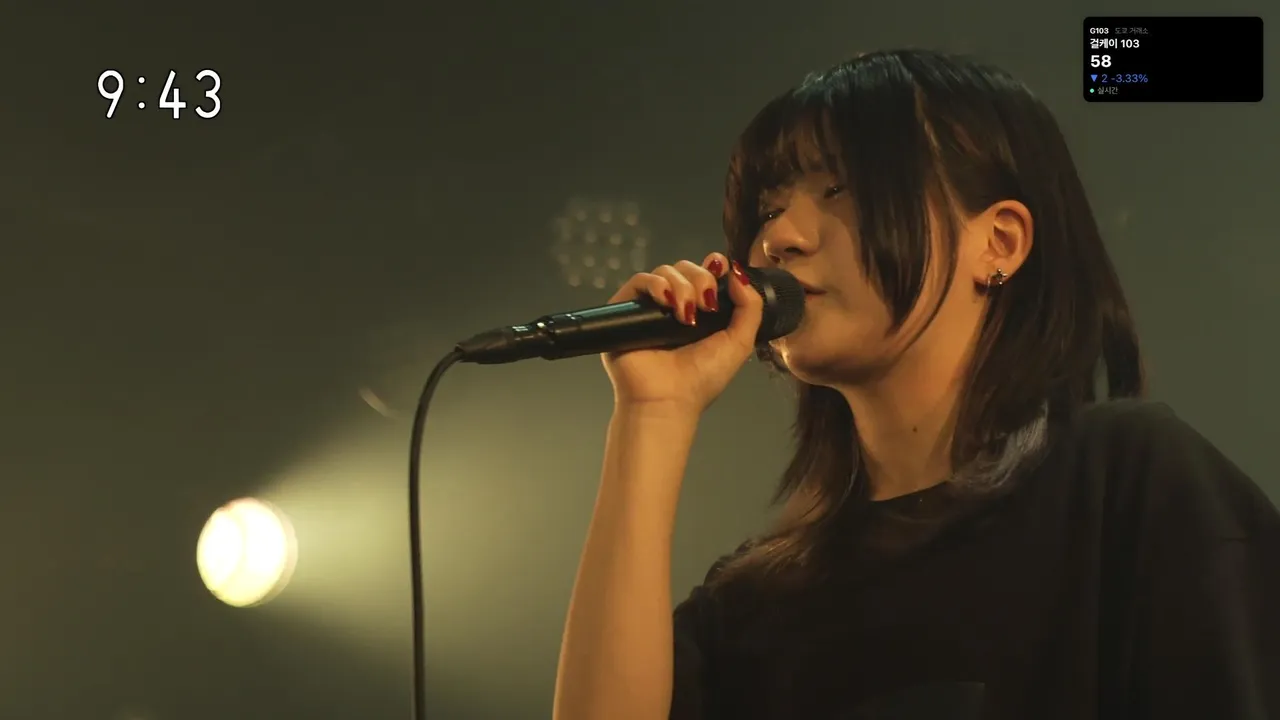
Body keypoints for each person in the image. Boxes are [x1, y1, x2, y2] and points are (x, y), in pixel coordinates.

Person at [550, 49, 1279, 720]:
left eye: (840, 188)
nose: (778, 238)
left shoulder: (1124, 483)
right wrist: (653, 412)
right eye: (768, 208)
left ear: (998, 243)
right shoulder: (751, 604)